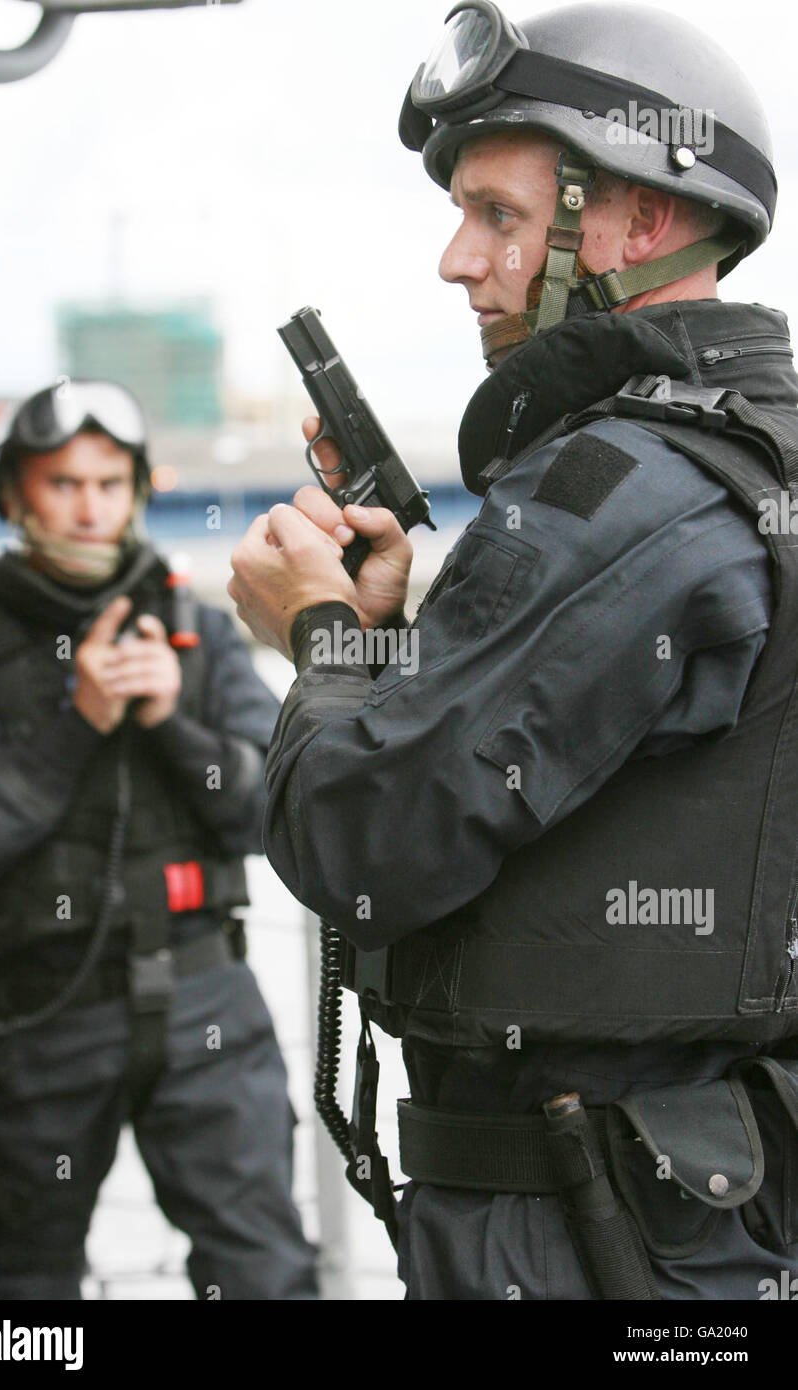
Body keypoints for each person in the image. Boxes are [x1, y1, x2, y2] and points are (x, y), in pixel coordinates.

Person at [228, 2, 798, 1300]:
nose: (453, 259)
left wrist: (316, 636)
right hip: (684, 1199)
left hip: (574, 1223)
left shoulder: (616, 490)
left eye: (496, 214)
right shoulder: (737, 459)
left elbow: (362, 848)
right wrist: (390, 623)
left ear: (641, 220)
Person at [0, 379, 318, 1300]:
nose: (89, 505)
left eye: (109, 482)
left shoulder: (199, 632)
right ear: (18, 496)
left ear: (139, 490)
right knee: (25, 1292)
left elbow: (282, 814)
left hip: (204, 998)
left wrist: (171, 721)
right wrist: (82, 718)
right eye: (63, 482)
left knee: (261, 1272)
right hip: (37, 1013)